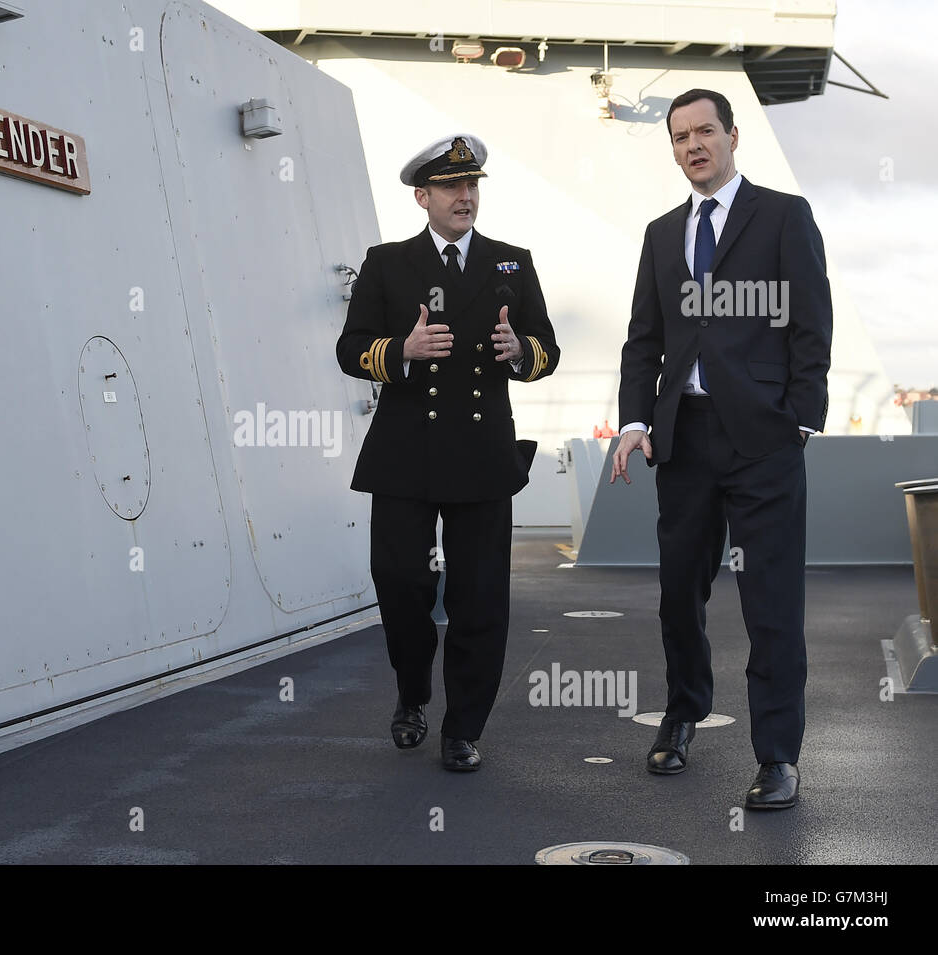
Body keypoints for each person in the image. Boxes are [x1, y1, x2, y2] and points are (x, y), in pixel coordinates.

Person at [611, 89, 832, 809]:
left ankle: (777, 756)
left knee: (771, 601)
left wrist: (800, 416)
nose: (693, 144)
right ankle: (682, 714)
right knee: (680, 591)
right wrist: (635, 420)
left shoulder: (783, 216)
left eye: (706, 131)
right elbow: (645, 340)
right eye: (680, 136)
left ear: (733, 136)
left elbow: (810, 319)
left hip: (764, 437)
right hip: (684, 438)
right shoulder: (658, 233)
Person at [336, 134, 560, 771]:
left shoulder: (513, 262)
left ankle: (463, 727)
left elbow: (546, 347)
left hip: (482, 454)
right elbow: (350, 349)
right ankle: (413, 692)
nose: (466, 196)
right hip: (405, 454)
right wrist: (400, 352)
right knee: (402, 583)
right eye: (452, 187)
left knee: (480, 598)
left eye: (473, 186)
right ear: (423, 197)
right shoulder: (387, 263)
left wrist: (521, 353)